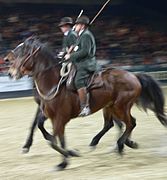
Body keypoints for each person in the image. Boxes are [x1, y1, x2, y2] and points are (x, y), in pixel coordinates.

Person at [65, 15, 98, 117]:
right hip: (80, 61)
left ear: (82, 26)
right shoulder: (81, 35)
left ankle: (85, 107)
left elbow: (85, 51)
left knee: (78, 80)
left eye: (77, 24)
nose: (75, 26)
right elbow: (78, 49)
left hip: (87, 63)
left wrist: (70, 56)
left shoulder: (86, 35)